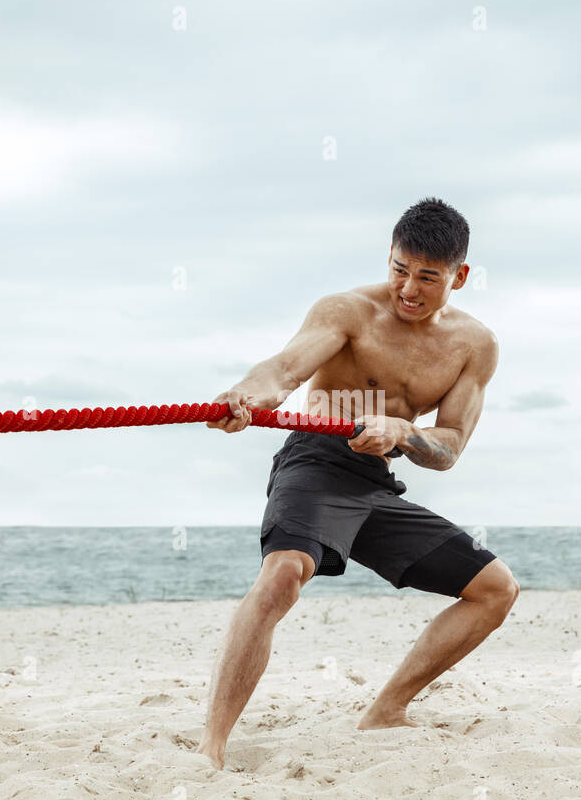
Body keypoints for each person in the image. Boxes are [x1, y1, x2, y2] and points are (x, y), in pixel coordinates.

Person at [197, 197, 519, 770]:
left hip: (375, 480)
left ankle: (386, 710)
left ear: (460, 277)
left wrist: (402, 432)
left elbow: (447, 448)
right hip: (314, 465)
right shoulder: (347, 311)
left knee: (495, 590)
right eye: (399, 270)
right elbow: (285, 369)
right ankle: (211, 746)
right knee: (282, 577)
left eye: (428, 277)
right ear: (388, 259)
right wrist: (247, 394)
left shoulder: (475, 346)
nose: (409, 290)